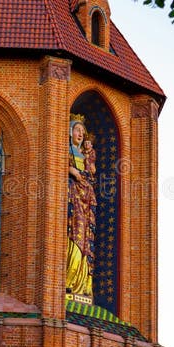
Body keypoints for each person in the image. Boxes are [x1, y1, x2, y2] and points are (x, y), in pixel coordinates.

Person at [67, 117, 96, 299]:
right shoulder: (65, 150)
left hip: (85, 197)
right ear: (70, 132)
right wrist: (72, 171)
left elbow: (91, 174)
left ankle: (83, 285)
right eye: (77, 129)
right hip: (73, 196)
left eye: (82, 131)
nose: (80, 133)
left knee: (85, 237)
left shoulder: (85, 156)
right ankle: (69, 281)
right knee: (75, 233)